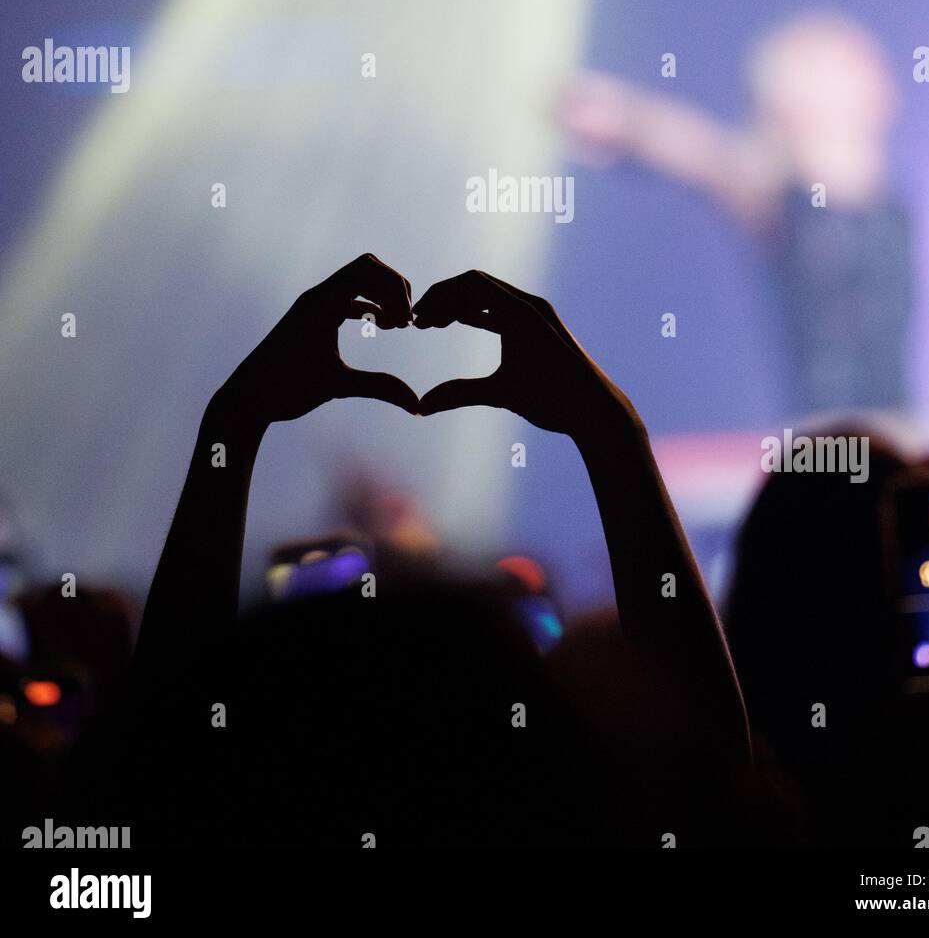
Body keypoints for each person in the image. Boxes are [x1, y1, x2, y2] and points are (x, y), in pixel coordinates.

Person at [123, 254, 753, 846]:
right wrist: (612, 435)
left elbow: (156, 756)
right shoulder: (556, 812)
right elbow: (710, 779)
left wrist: (234, 423)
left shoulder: (239, 802)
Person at [558, 8, 913, 415]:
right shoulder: (780, 195)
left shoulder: (884, 202)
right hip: (834, 440)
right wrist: (627, 120)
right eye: (835, 68)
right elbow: (701, 151)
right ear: (795, 109)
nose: (872, 73)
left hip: (896, 432)